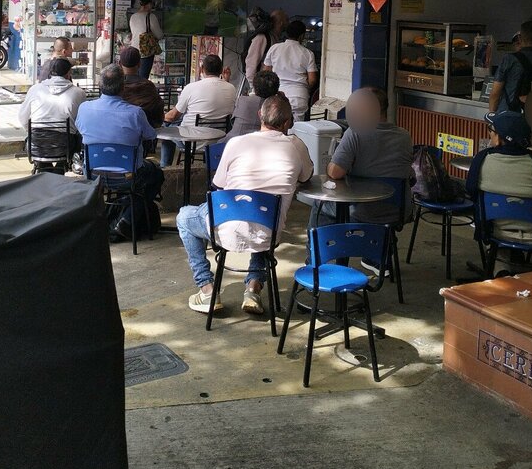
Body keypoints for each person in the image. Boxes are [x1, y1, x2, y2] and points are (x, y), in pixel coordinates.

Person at [177, 94, 313, 315]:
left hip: (225, 229)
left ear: (260, 115)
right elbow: (307, 176)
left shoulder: (236, 142)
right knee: (262, 221)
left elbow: (219, 184)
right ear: (288, 123)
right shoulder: (296, 145)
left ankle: (207, 289)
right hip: (270, 234)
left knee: (184, 217)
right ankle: (253, 288)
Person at [75, 64, 162, 242]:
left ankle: (122, 218)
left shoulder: (84, 109)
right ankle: (127, 219)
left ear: (100, 85)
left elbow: (80, 129)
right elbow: (151, 135)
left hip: (94, 175)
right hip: (129, 176)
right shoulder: (135, 113)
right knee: (156, 174)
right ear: (123, 87)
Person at [315, 87, 413, 227]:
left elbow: (336, 172)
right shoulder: (405, 136)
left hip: (361, 210)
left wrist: (331, 164)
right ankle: (386, 244)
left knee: (320, 204)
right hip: (397, 210)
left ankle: (320, 247)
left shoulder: (355, 132)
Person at [466, 109, 532, 244]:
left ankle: (501, 260)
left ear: (498, 138)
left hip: (495, 230)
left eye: (490, 130)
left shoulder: (481, 160)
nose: (489, 134)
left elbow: (471, 191)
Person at [161, 53, 237, 166]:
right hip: (218, 140)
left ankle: (164, 167)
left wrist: (159, 116)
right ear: (221, 70)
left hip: (191, 141)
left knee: (166, 130)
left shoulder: (191, 88)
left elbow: (172, 116)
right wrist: (226, 80)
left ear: (202, 69)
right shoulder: (231, 88)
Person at [17, 57, 86, 168]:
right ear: (69, 73)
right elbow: (82, 122)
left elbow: (23, 119)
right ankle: (59, 169)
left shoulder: (35, 89)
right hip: (65, 146)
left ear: (50, 73)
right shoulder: (78, 93)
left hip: (36, 145)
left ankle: (44, 169)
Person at [262, 19, 318, 121]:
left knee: (276, 125)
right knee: (296, 129)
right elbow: (312, 80)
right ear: (302, 36)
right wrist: (305, 87)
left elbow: (266, 73)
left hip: (277, 94)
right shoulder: (308, 53)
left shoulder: (274, 48)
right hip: (299, 96)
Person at [222, 69, 281, 141]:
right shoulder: (276, 108)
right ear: (276, 90)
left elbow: (232, 123)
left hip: (228, 143)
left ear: (255, 88)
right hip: (256, 146)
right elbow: (289, 125)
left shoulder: (242, 101)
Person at [119, 45, 165, 128]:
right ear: (140, 63)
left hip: (120, 129)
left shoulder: (115, 87)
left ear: (119, 63)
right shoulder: (148, 86)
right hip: (144, 133)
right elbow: (158, 113)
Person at [242, 8, 288, 88]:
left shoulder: (274, 38)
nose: (288, 23)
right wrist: (254, 87)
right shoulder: (262, 38)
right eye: (286, 20)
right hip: (261, 87)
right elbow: (251, 63)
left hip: (268, 87)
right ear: (281, 23)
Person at [129, 0, 164, 79]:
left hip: (133, 49)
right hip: (145, 51)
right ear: (148, 5)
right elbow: (159, 35)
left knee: (134, 76)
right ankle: (141, 91)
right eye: (151, 4)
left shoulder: (133, 16)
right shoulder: (151, 17)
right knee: (143, 77)